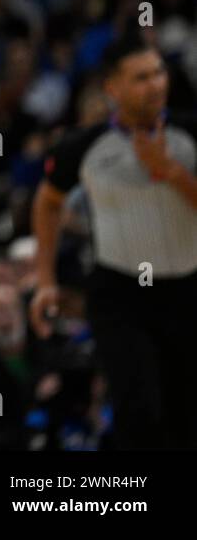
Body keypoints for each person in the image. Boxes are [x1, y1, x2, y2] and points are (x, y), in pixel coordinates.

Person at [30, 32, 197, 448]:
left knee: (186, 417)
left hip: (187, 290)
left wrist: (171, 173)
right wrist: (46, 280)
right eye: (141, 77)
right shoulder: (84, 146)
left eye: (159, 73)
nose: (155, 84)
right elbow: (47, 203)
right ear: (112, 88)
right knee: (139, 413)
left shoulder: (191, 136)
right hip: (120, 294)